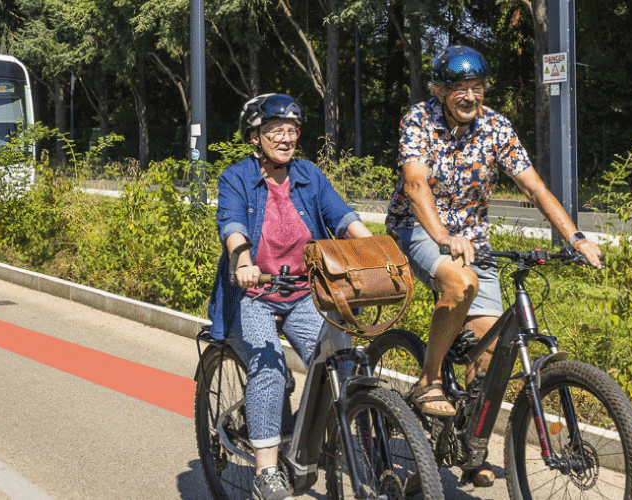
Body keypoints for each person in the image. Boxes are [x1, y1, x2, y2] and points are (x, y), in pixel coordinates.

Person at [385, 46, 605, 486]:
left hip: (475, 240)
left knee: (489, 349)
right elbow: (415, 184)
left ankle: (469, 446)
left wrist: (574, 237)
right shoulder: (419, 120)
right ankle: (429, 381)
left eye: (477, 88)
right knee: (460, 282)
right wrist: (445, 237)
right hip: (420, 230)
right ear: (439, 90)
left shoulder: (495, 126)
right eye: (459, 89)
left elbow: (533, 185)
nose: (470, 96)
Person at [208, 93, 376, 500]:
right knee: (269, 368)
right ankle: (266, 471)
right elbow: (231, 223)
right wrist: (244, 261)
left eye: (292, 130)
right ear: (255, 137)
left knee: (341, 360)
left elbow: (343, 216)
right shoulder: (236, 178)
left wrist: (378, 254)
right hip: (253, 293)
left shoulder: (309, 176)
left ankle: (313, 439)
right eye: (275, 130)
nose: (285, 138)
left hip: (305, 292)